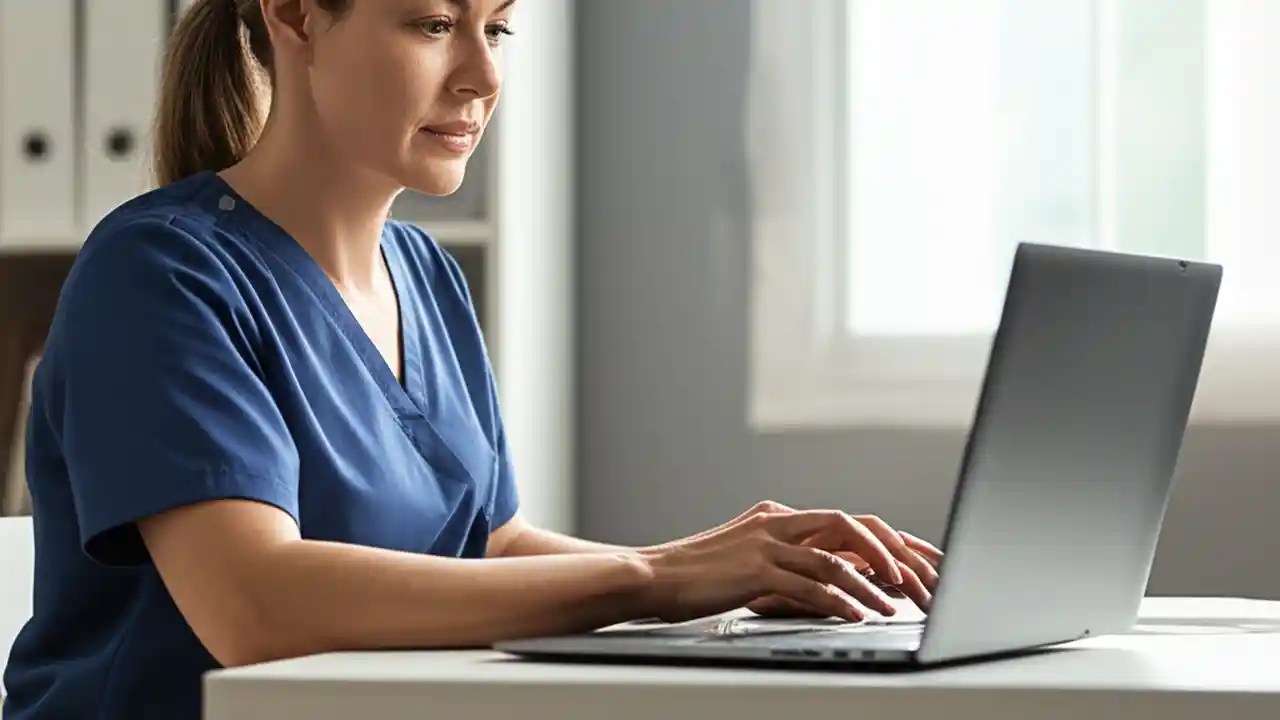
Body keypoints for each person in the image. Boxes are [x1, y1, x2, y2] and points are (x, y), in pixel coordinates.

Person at [0, 1, 942, 718]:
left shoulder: (425, 274)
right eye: (435, 23)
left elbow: (486, 544)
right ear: (292, 14)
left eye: (499, 27)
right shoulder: (159, 273)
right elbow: (254, 606)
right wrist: (657, 575)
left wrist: (732, 592)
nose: (480, 75)